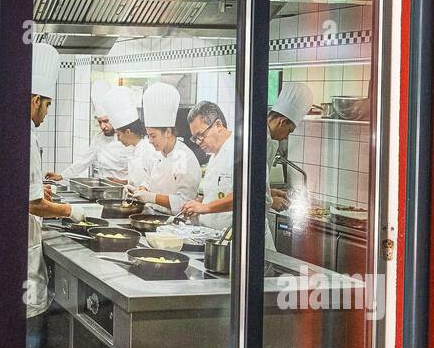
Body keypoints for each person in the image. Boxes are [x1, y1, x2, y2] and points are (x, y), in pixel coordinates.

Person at [25, 41, 86, 348]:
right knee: (45, 337)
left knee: (36, 336)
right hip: (20, 264)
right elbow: (31, 203)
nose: (46, 113)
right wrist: (72, 211)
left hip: (15, 255)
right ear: (35, 99)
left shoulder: (19, 129)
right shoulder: (25, 132)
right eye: (46, 105)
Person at [182, 100, 275, 249]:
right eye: (195, 138)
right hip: (220, 242)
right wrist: (197, 205)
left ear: (218, 125)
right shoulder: (214, 156)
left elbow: (248, 196)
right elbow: (216, 193)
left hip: (247, 244)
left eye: (201, 135)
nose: (198, 142)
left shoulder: (244, 149)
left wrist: (205, 208)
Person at [128, 82, 200, 213]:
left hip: (174, 221)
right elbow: (149, 179)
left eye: (153, 136)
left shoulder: (182, 157)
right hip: (153, 214)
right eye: (148, 136)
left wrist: (151, 197)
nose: (150, 141)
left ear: (167, 132)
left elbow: (185, 201)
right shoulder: (156, 153)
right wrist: (141, 190)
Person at [44, 82, 133, 183]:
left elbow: (139, 173)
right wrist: (62, 176)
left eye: (106, 121)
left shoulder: (128, 139)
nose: (103, 126)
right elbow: (84, 160)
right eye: (100, 122)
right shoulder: (99, 138)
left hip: (124, 191)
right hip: (103, 189)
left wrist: (124, 182)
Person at [266, 81, 314, 211]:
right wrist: (269, 202)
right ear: (282, 122)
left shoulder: (269, 139)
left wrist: (268, 193)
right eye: (289, 131)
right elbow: (241, 184)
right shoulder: (260, 141)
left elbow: (253, 183)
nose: (287, 137)